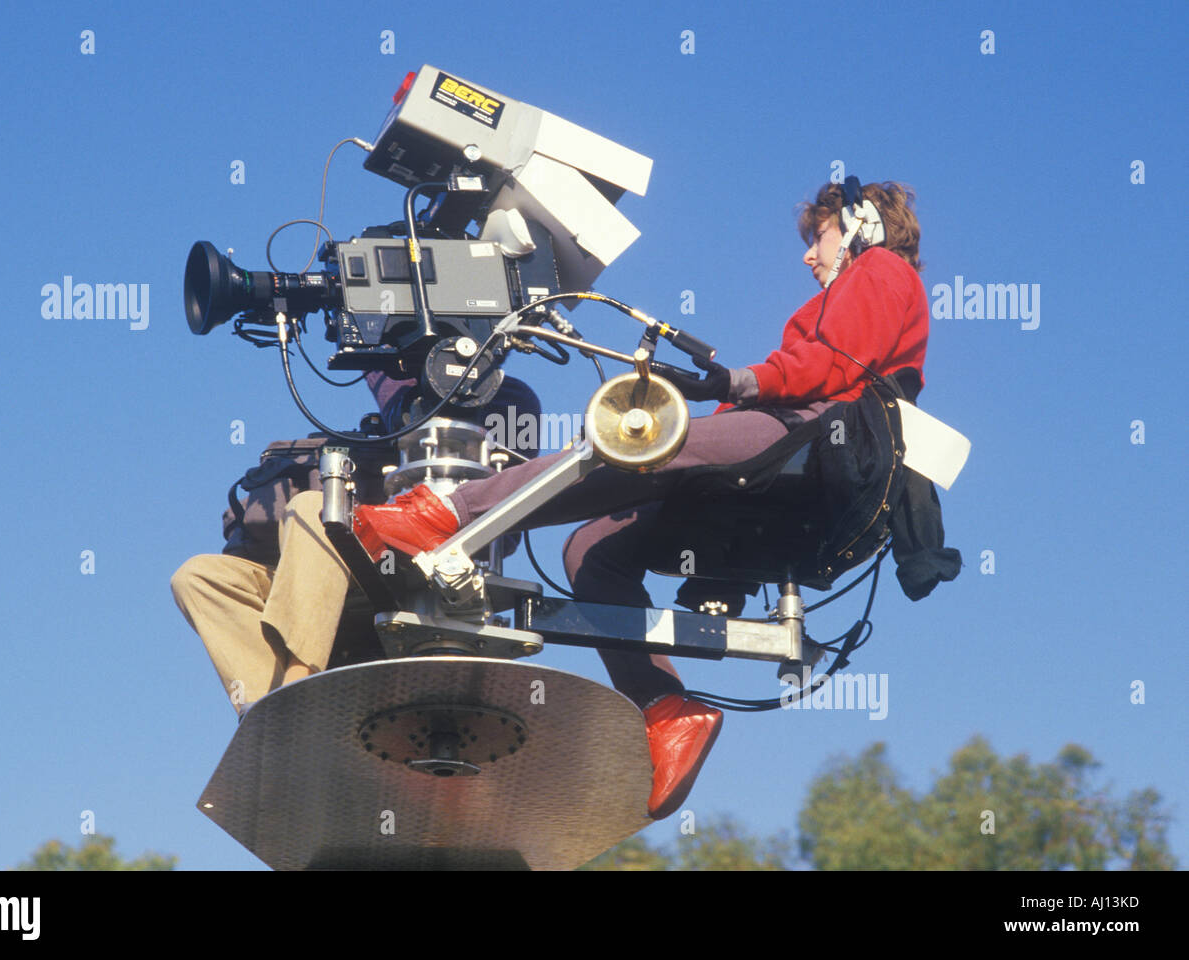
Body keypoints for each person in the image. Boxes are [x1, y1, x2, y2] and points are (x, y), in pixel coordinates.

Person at [353, 179, 930, 819]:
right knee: (590, 549)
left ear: (859, 225)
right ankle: (665, 710)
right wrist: (732, 390)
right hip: (795, 442)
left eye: (817, 237)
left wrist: (741, 382)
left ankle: (446, 513)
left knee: (631, 445)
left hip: (822, 438)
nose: (807, 256)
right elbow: (801, 370)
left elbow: (833, 366)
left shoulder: (882, 270)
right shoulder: (851, 287)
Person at [170, 372, 541, 716]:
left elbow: (504, 534)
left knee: (311, 507)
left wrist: (444, 363)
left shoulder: (503, 396)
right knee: (199, 576)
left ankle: (300, 681)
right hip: (333, 574)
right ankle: (268, 712)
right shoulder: (382, 430)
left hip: (415, 567)